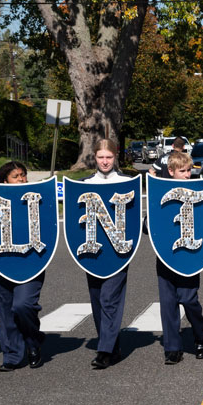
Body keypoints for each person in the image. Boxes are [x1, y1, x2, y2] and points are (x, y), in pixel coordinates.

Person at [0, 160, 47, 372]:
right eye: (16, 176)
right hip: (0, 262)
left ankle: (33, 343)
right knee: (4, 311)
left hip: (31, 260)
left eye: (23, 175)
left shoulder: (36, 199)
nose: (21, 179)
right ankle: (12, 355)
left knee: (23, 305)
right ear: (5, 181)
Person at [84, 139, 134, 370]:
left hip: (117, 251)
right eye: (101, 157)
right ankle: (112, 345)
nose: (105, 161)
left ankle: (104, 351)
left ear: (116, 158)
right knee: (97, 302)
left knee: (109, 299)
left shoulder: (127, 183)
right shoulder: (84, 184)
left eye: (109, 157)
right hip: (91, 252)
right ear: (94, 157)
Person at [158, 150, 203, 364]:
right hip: (166, 255)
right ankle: (172, 347)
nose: (187, 175)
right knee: (168, 303)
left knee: (189, 300)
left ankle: (200, 337)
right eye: (183, 171)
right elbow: (149, 223)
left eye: (189, 170)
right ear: (171, 171)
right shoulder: (159, 190)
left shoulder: (196, 189)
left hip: (190, 255)